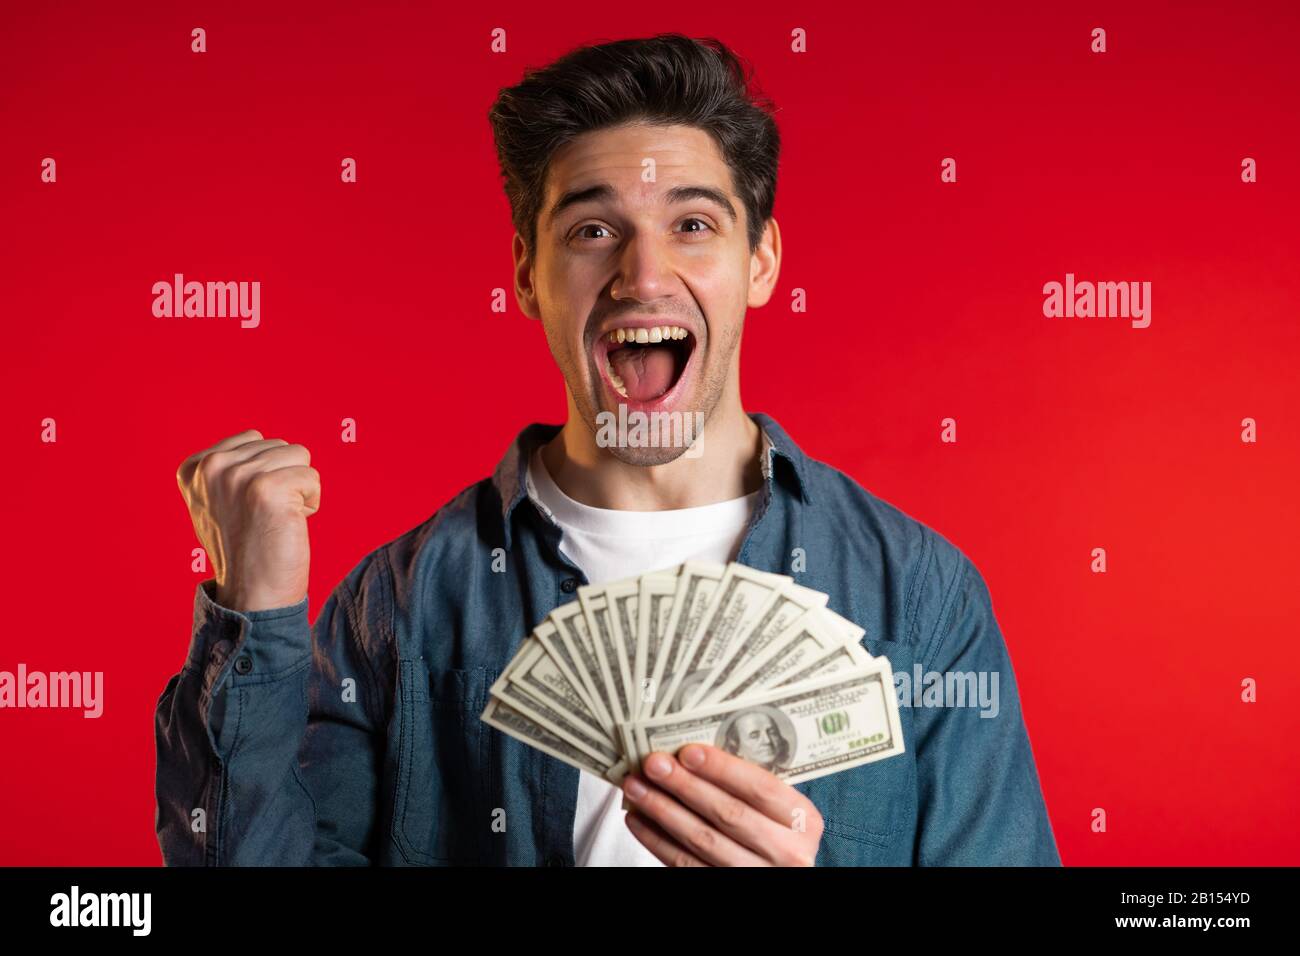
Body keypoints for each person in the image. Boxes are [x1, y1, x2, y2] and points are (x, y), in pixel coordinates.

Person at [155, 33, 1060, 867]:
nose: (644, 274)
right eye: (593, 230)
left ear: (762, 262)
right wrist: (257, 612)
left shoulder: (924, 597)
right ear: (525, 273)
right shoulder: (400, 607)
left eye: (693, 225)